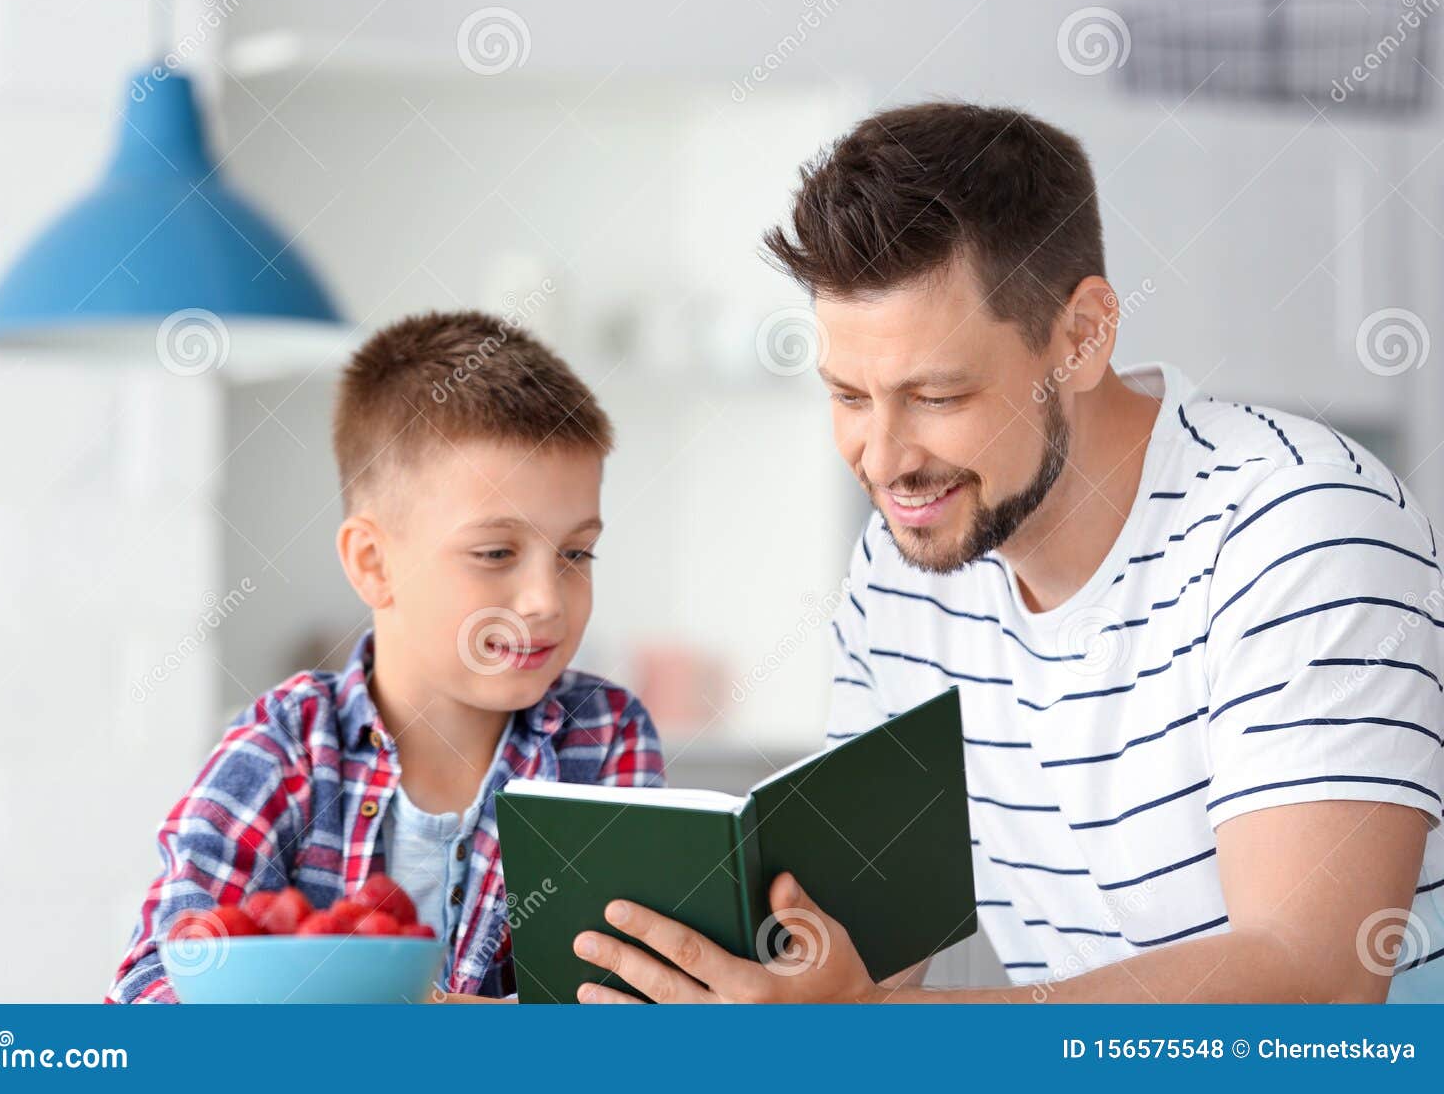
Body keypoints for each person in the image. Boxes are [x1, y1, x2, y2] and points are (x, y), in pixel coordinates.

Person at [573, 102, 1443, 1003]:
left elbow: (1316, 984)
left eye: (938, 395)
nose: (884, 459)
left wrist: (867, 1032)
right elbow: (855, 954)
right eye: (848, 395)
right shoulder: (906, 566)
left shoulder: (1297, 528)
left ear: (1082, 338)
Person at [108, 310, 664, 1001]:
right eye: (496, 553)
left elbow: (630, 1006)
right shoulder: (284, 750)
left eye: (576, 553)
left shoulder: (605, 737)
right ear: (373, 563)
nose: (546, 600)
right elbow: (153, 989)